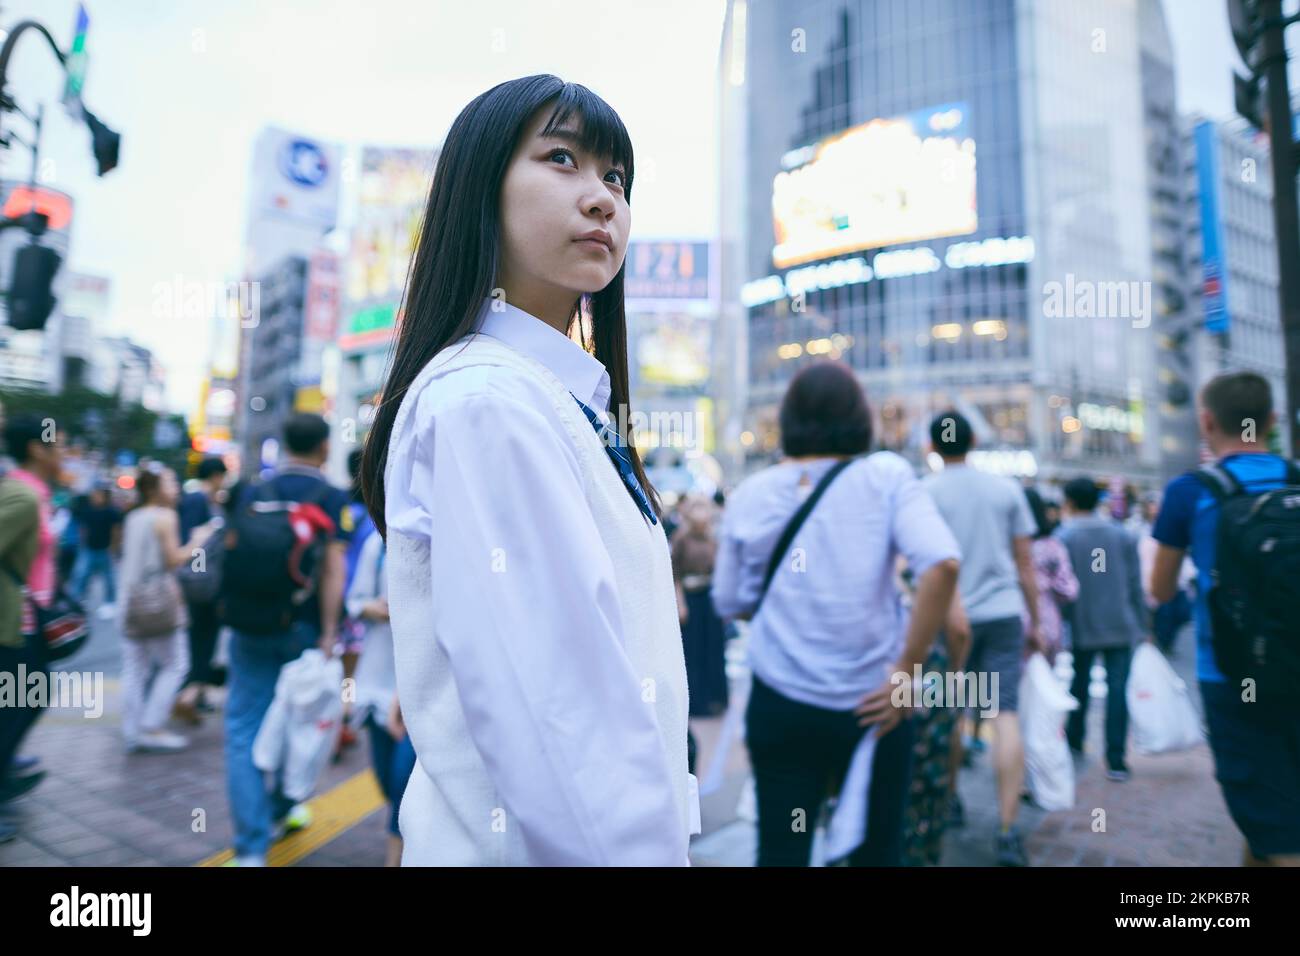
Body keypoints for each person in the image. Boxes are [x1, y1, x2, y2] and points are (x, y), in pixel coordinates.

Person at [360, 75, 699, 866]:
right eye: (562, 159)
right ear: (479, 188)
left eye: (616, 177)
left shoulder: (550, 395)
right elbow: (563, 721)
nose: (602, 199)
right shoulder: (488, 399)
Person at [711, 361, 960, 866]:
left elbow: (728, 600)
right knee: (878, 850)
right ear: (859, 417)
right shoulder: (886, 475)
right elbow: (943, 563)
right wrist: (907, 671)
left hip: (781, 700)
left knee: (782, 850)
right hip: (874, 704)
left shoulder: (753, 493)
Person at [1149, 371, 1300, 866]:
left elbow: (1160, 588)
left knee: (1276, 832)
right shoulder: (1294, 479)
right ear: (1272, 421)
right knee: (1268, 818)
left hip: (1234, 678)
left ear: (1206, 421)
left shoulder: (1190, 492)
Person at [221, 413, 353, 867]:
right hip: (303, 629)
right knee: (299, 726)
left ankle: (251, 848)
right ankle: (283, 806)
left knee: (243, 730)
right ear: (323, 448)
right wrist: (331, 632)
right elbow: (334, 570)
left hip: (248, 625)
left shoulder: (252, 491)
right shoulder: (332, 497)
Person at [922, 410, 1043, 866]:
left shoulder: (924, 492)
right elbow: (1025, 567)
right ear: (973, 441)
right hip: (1002, 613)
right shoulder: (1005, 489)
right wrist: (1038, 622)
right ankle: (1009, 829)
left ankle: (949, 801)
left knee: (950, 711)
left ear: (932, 446)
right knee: (1003, 713)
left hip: (947, 617)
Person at [118, 466, 217, 753]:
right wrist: (199, 539)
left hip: (130, 600)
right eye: (171, 482)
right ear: (153, 490)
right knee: (176, 664)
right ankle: (152, 725)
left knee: (135, 668)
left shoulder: (133, 516)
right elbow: (175, 560)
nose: (175, 488)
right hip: (159, 601)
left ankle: (132, 731)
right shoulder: (165, 516)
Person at [1056, 476, 1147, 781]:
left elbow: (1061, 587)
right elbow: (1136, 583)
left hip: (1083, 624)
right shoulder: (1121, 535)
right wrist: (1144, 623)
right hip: (1121, 623)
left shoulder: (1065, 536)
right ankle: (1117, 759)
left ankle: (1074, 743)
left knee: (1078, 684)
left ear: (1069, 502)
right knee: (1117, 690)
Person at [0, 414, 62, 842]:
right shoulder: (22, 495)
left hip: (28, 621)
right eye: (58, 443)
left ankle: (5, 772)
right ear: (37, 449)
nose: (64, 451)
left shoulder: (36, 493)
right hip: (13, 623)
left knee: (28, 698)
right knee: (18, 704)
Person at [344, 525, 413, 866]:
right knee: (386, 780)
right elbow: (354, 602)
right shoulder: (378, 544)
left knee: (403, 781)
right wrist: (377, 609)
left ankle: (396, 857)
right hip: (377, 680)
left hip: (418, 684)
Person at [173, 456, 229, 724]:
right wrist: (196, 572)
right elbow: (192, 538)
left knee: (204, 637)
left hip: (205, 580)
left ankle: (197, 691)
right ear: (217, 475)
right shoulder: (199, 500)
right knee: (201, 637)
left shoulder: (208, 501)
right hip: (201, 582)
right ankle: (189, 691)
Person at [671, 493, 729, 717]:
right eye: (696, 508)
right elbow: (675, 573)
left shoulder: (713, 538)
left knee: (713, 648)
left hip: (710, 599)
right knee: (693, 651)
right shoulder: (681, 538)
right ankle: (697, 702)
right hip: (691, 598)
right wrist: (680, 604)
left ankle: (716, 699)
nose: (701, 513)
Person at [1023, 487, 1079, 663]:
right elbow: (1068, 590)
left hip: (1006, 621)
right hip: (1046, 621)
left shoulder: (1002, 546)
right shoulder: (1051, 546)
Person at [70, 485, 122, 617]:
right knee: (81, 575)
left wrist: (114, 548)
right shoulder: (87, 510)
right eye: (94, 495)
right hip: (89, 549)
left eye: (98, 495)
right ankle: (76, 601)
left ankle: (110, 603)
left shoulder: (111, 511)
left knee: (109, 579)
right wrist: (82, 545)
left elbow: (116, 531)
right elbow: (83, 529)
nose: (96, 498)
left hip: (105, 549)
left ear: (105, 497)